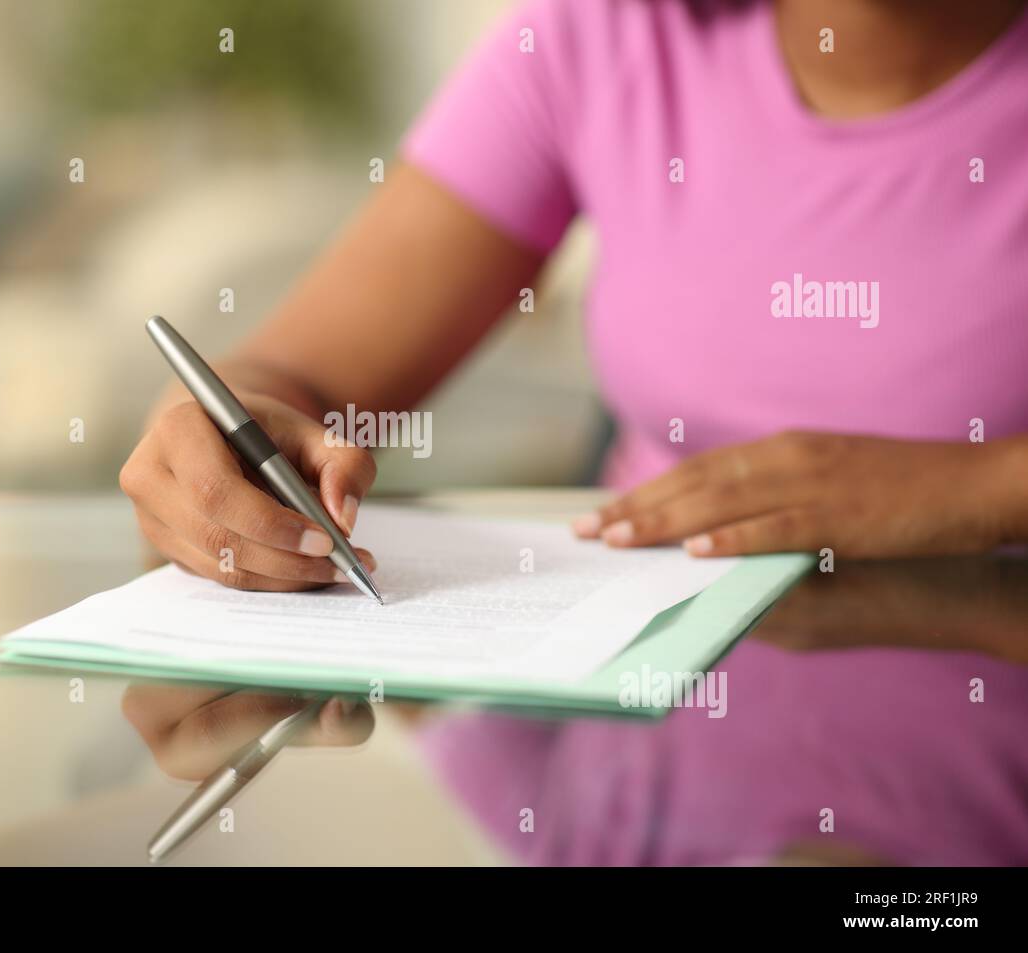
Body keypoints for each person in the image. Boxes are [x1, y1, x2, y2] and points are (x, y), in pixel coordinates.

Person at [121, 0, 1028, 589]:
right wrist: (217, 436)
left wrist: (987, 488)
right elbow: (296, 371)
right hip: (643, 700)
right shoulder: (603, 35)